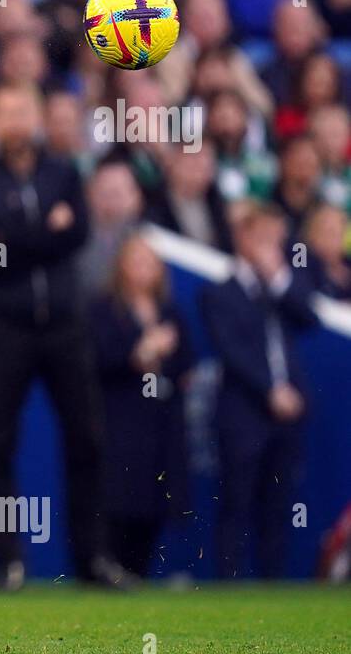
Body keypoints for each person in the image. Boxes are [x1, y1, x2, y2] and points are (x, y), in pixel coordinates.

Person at [0, 83, 124, 589]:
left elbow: (75, 237)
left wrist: (17, 235)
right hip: (6, 328)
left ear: (37, 116)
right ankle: (7, 562)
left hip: (65, 328)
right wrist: (42, 233)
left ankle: (93, 560)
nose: (15, 121)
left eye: (22, 110)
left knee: (88, 439)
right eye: (5, 111)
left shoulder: (64, 173)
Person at [200, 202, 319, 577]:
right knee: (237, 500)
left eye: (277, 240)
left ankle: (273, 583)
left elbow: (309, 317)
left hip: (289, 413)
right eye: (263, 238)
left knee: (278, 503)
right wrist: (271, 391)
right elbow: (233, 352)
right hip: (243, 412)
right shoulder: (220, 293)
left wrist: (279, 276)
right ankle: (229, 584)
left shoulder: (284, 288)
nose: (272, 247)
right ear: (243, 238)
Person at [90, 236, 195, 577]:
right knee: (120, 492)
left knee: (155, 493)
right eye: (136, 261)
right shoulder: (104, 307)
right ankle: (110, 568)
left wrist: (165, 356)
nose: (143, 269)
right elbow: (98, 358)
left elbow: (188, 362)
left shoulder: (169, 310)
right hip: (121, 416)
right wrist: (140, 353)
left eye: (150, 262)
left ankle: (139, 571)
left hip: (160, 418)